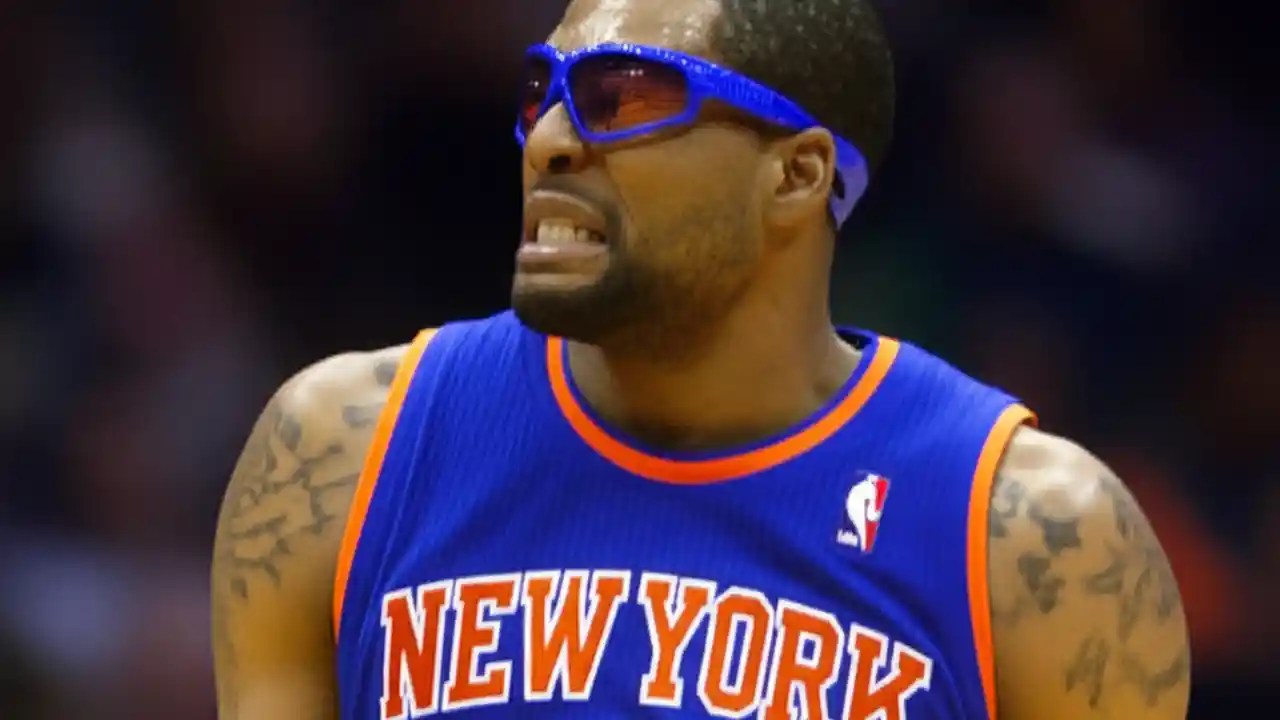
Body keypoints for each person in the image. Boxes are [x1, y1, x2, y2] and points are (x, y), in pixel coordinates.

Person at [210, 0, 1191, 717]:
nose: (549, 140)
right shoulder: (338, 452)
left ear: (796, 175)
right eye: (539, 92)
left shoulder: (1032, 537)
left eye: (620, 97)